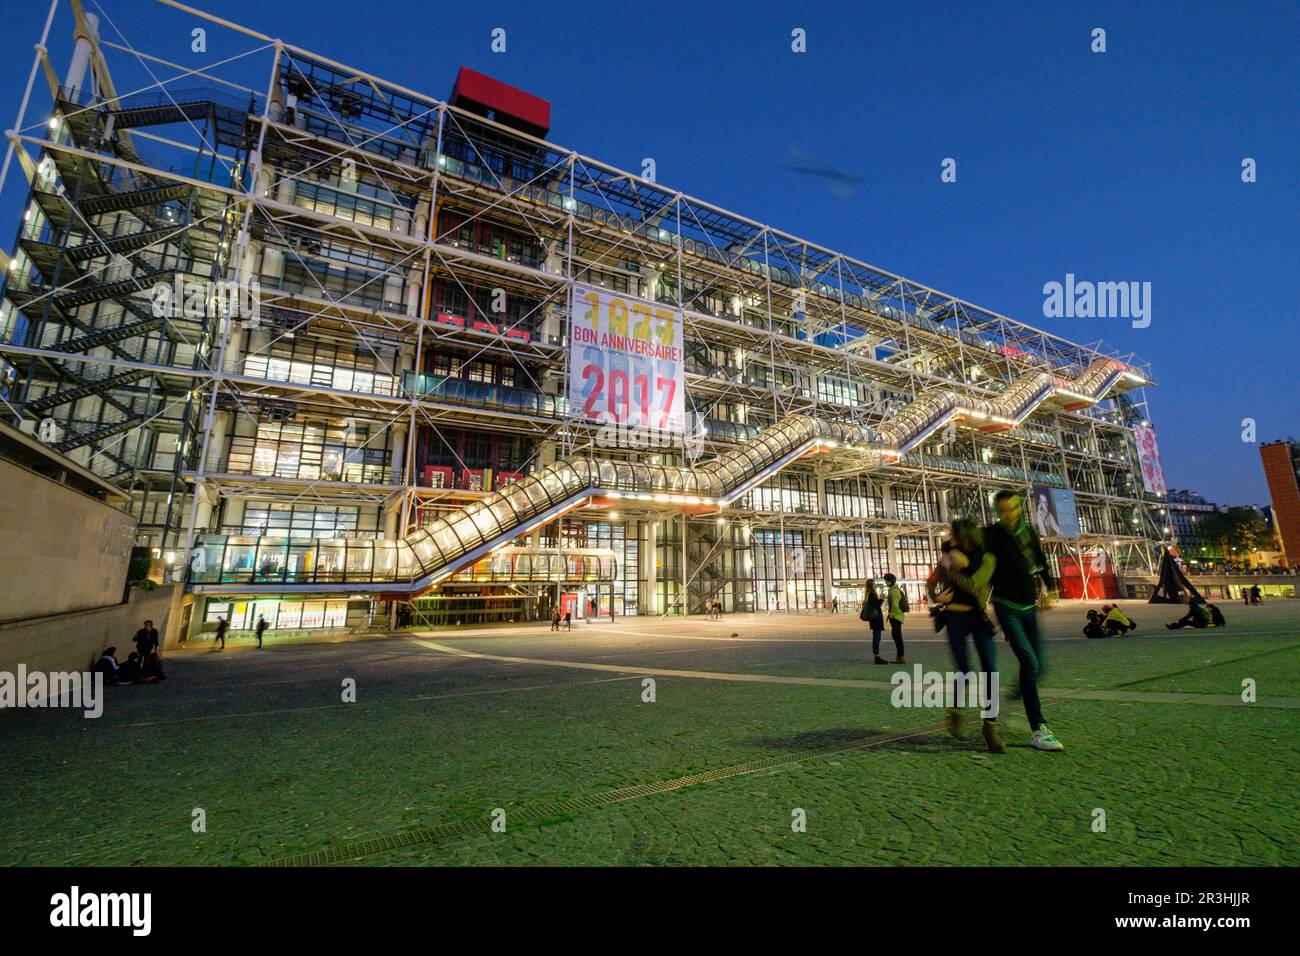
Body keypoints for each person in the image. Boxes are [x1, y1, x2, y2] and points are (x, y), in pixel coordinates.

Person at [982, 490, 1063, 752]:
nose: (1010, 514)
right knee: (1030, 661)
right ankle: (1039, 728)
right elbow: (978, 564)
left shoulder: (1027, 532)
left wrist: (1049, 588)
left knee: (1038, 667)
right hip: (1006, 607)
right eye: (1004, 510)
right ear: (998, 512)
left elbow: (1040, 562)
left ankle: (1020, 691)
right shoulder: (991, 536)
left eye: (1014, 508)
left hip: (1029, 606)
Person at [930, 518, 1004, 753]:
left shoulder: (987, 558)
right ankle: (955, 711)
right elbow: (930, 582)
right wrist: (937, 597)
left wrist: (953, 568)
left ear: (967, 536)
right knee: (964, 671)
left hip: (977, 617)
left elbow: (974, 585)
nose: (952, 540)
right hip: (953, 618)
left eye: (956, 535)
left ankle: (990, 726)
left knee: (991, 671)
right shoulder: (950, 556)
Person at [861, 578, 886, 664]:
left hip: (874, 619)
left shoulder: (870, 594)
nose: (875, 584)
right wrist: (882, 599)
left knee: (877, 637)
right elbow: (876, 606)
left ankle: (877, 656)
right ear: (872, 585)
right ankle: (877, 656)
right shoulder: (872, 594)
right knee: (876, 637)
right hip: (876, 618)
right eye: (874, 583)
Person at [883, 573, 907, 663]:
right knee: (897, 636)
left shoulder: (893, 591)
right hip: (896, 616)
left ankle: (900, 656)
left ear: (890, 581)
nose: (885, 582)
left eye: (886, 580)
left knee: (897, 636)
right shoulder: (893, 590)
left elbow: (895, 605)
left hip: (896, 616)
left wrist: (892, 615)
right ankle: (900, 656)